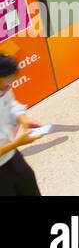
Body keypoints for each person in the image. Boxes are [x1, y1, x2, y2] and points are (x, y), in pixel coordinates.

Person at [0, 52, 43, 195]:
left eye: (8, 85)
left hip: (13, 158)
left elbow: (10, 103)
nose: (6, 90)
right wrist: (17, 143)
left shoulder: (3, 88)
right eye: (3, 87)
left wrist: (24, 119)